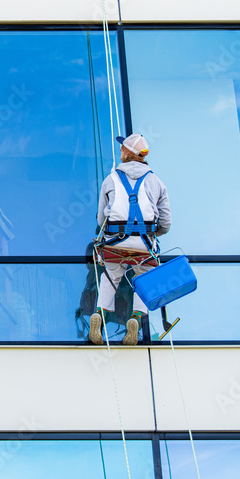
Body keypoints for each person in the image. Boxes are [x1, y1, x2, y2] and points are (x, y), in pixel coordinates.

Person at [91, 134, 171, 346]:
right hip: (144, 243)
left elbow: (101, 220)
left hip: (115, 242)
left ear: (126, 153)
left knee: (111, 273)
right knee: (146, 276)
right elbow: (166, 224)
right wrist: (149, 234)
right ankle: (135, 318)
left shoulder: (110, 180)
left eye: (122, 149)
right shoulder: (157, 182)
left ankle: (99, 313)